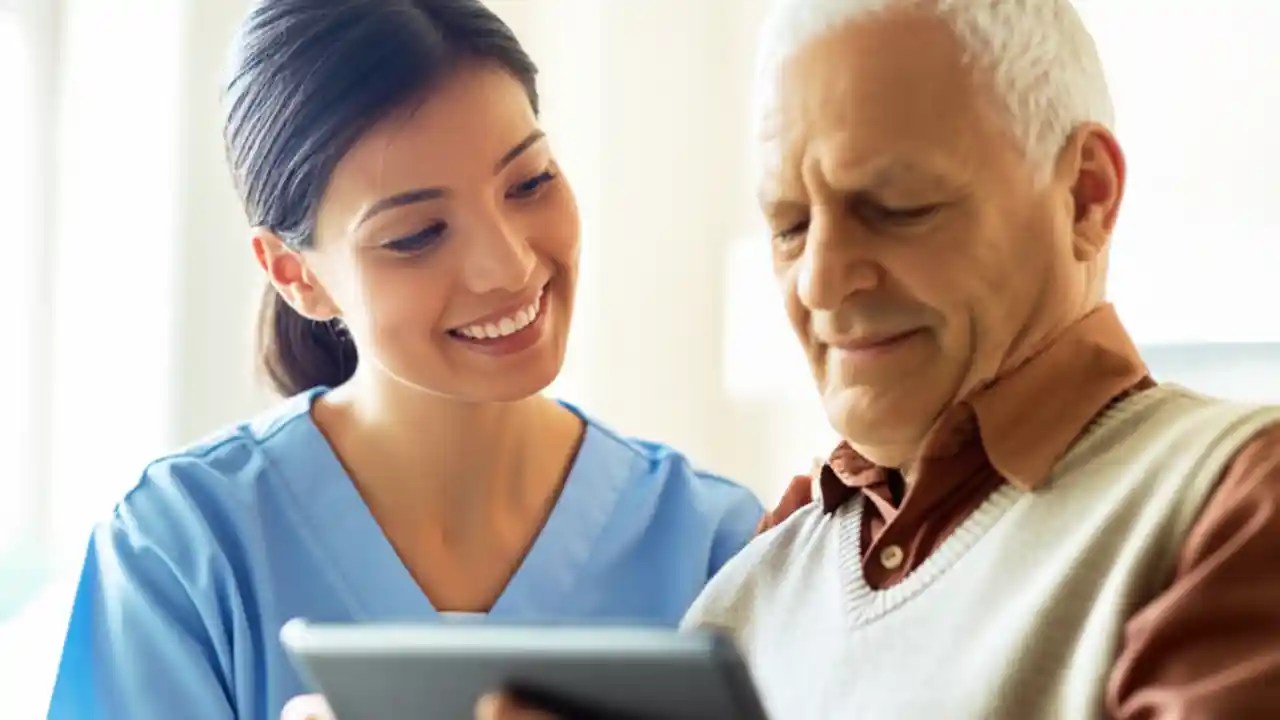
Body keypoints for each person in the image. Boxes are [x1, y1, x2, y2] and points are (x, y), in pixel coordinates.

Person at [484, 0, 1280, 718]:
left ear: (1085, 197)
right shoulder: (755, 581)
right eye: (790, 226)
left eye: (896, 209)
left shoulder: (1234, 500)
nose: (822, 282)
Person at [43, 1, 802, 717]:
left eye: (530, 182)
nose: (506, 267)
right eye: (416, 235)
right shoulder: (178, 553)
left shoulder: (719, 543)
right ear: (296, 275)